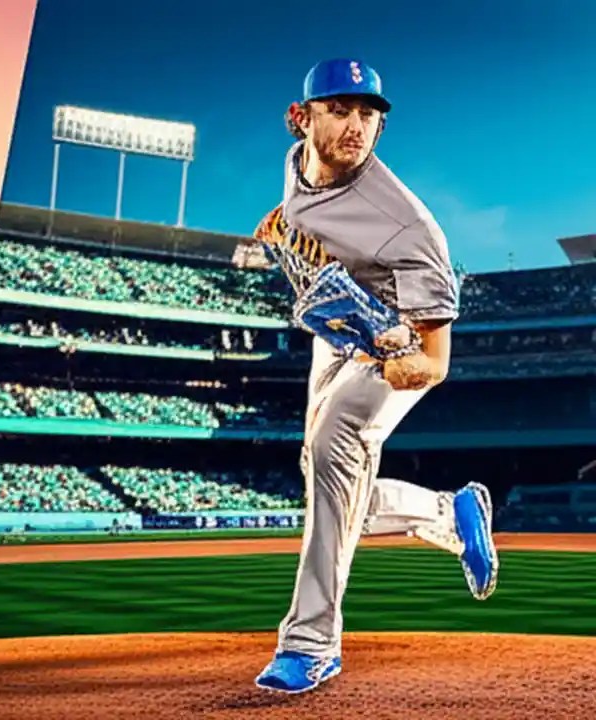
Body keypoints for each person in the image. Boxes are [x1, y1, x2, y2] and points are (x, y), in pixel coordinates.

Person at [251, 59, 498, 694]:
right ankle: (448, 512)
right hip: (334, 335)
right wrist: (281, 222)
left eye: (368, 114)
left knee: (336, 440)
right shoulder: (298, 163)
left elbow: (435, 363)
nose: (356, 126)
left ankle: (310, 643)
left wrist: (392, 357)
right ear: (300, 119)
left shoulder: (407, 227)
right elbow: (306, 210)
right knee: (330, 488)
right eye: (339, 110)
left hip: (398, 339)